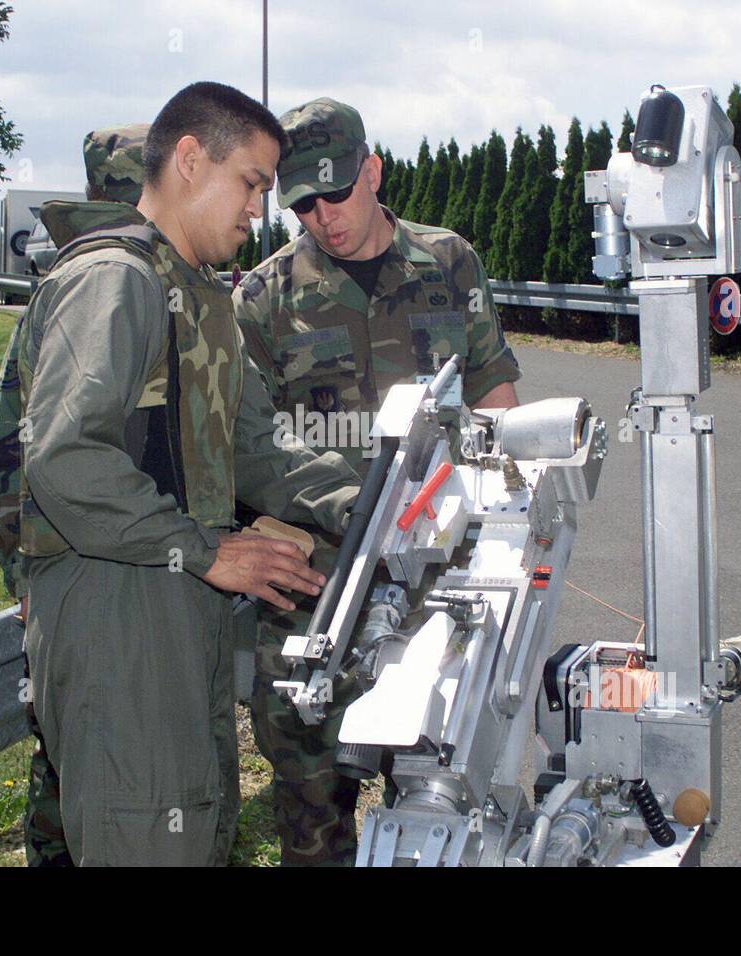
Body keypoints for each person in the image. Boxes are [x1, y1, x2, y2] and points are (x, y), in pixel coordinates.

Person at [0, 81, 361, 866]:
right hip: (116, 608)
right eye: (253, 184)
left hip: (174, 604)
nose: (259, 211)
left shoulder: (200, 298)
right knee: (146, 832)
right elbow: (67, 456)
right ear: (191, 160)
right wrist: (209, 551)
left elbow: (257, 446)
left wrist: (376, 500)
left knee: (189, 827)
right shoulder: (114, 280)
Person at [232, 97, 522, 865]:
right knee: (314, 822)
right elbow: (245, 445)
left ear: (373, 171)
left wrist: (512, 520)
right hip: (315, 596)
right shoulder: (263, 299)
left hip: (441, 589)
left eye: (337, 192)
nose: (324, 217)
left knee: (437, 809)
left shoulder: (449, 263)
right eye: (302, 204)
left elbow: (495, 396)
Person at [0, 123, 150, 866]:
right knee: (73, 771)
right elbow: (10, 463)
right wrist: (27, 575)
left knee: (77, 768)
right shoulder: (100, 285)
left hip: (92, 583)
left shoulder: (97, 279)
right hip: (75, 581)